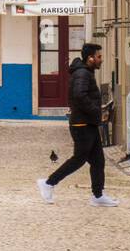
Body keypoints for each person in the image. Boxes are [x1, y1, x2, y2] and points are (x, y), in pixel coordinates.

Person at [38, 43, 119, 207]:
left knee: (98, 161)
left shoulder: (86, 72)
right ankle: (48, 183)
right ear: (90, 58)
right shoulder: (82, 74)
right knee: (79, 159)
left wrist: (95, 113)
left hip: (88, 123)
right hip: (82, 124)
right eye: (99, 56)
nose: (101, 60)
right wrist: (96, 110)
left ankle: (98, 195)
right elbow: (79, 96)